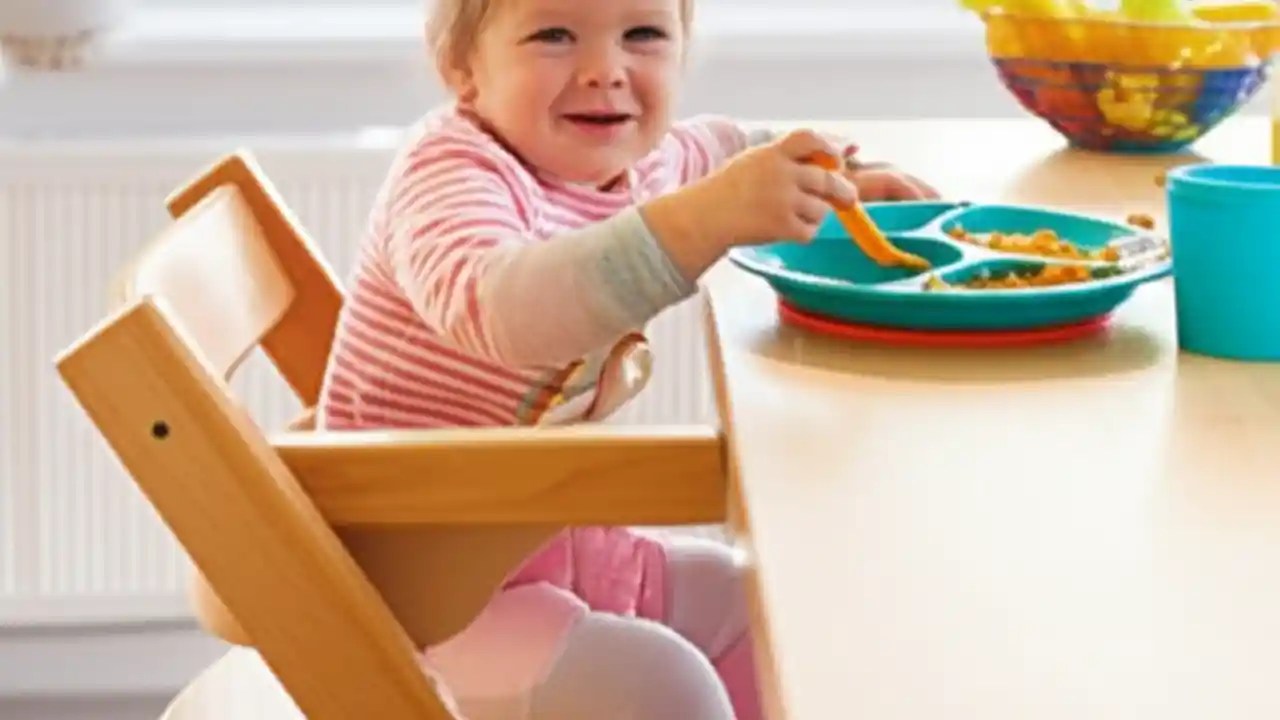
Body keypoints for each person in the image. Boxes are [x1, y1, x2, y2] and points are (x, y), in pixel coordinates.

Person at [316, 0, 938, 716]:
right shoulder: (451, 173)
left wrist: (836, 178)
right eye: (554, 35)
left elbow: (738, 150)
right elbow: (505, 311)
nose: (605, 71)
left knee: (770, 609)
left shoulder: (644, 160)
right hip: (423, 589)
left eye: (642, 35)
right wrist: (704, 218)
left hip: (540, 542)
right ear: (461, 67)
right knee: (661, 683)